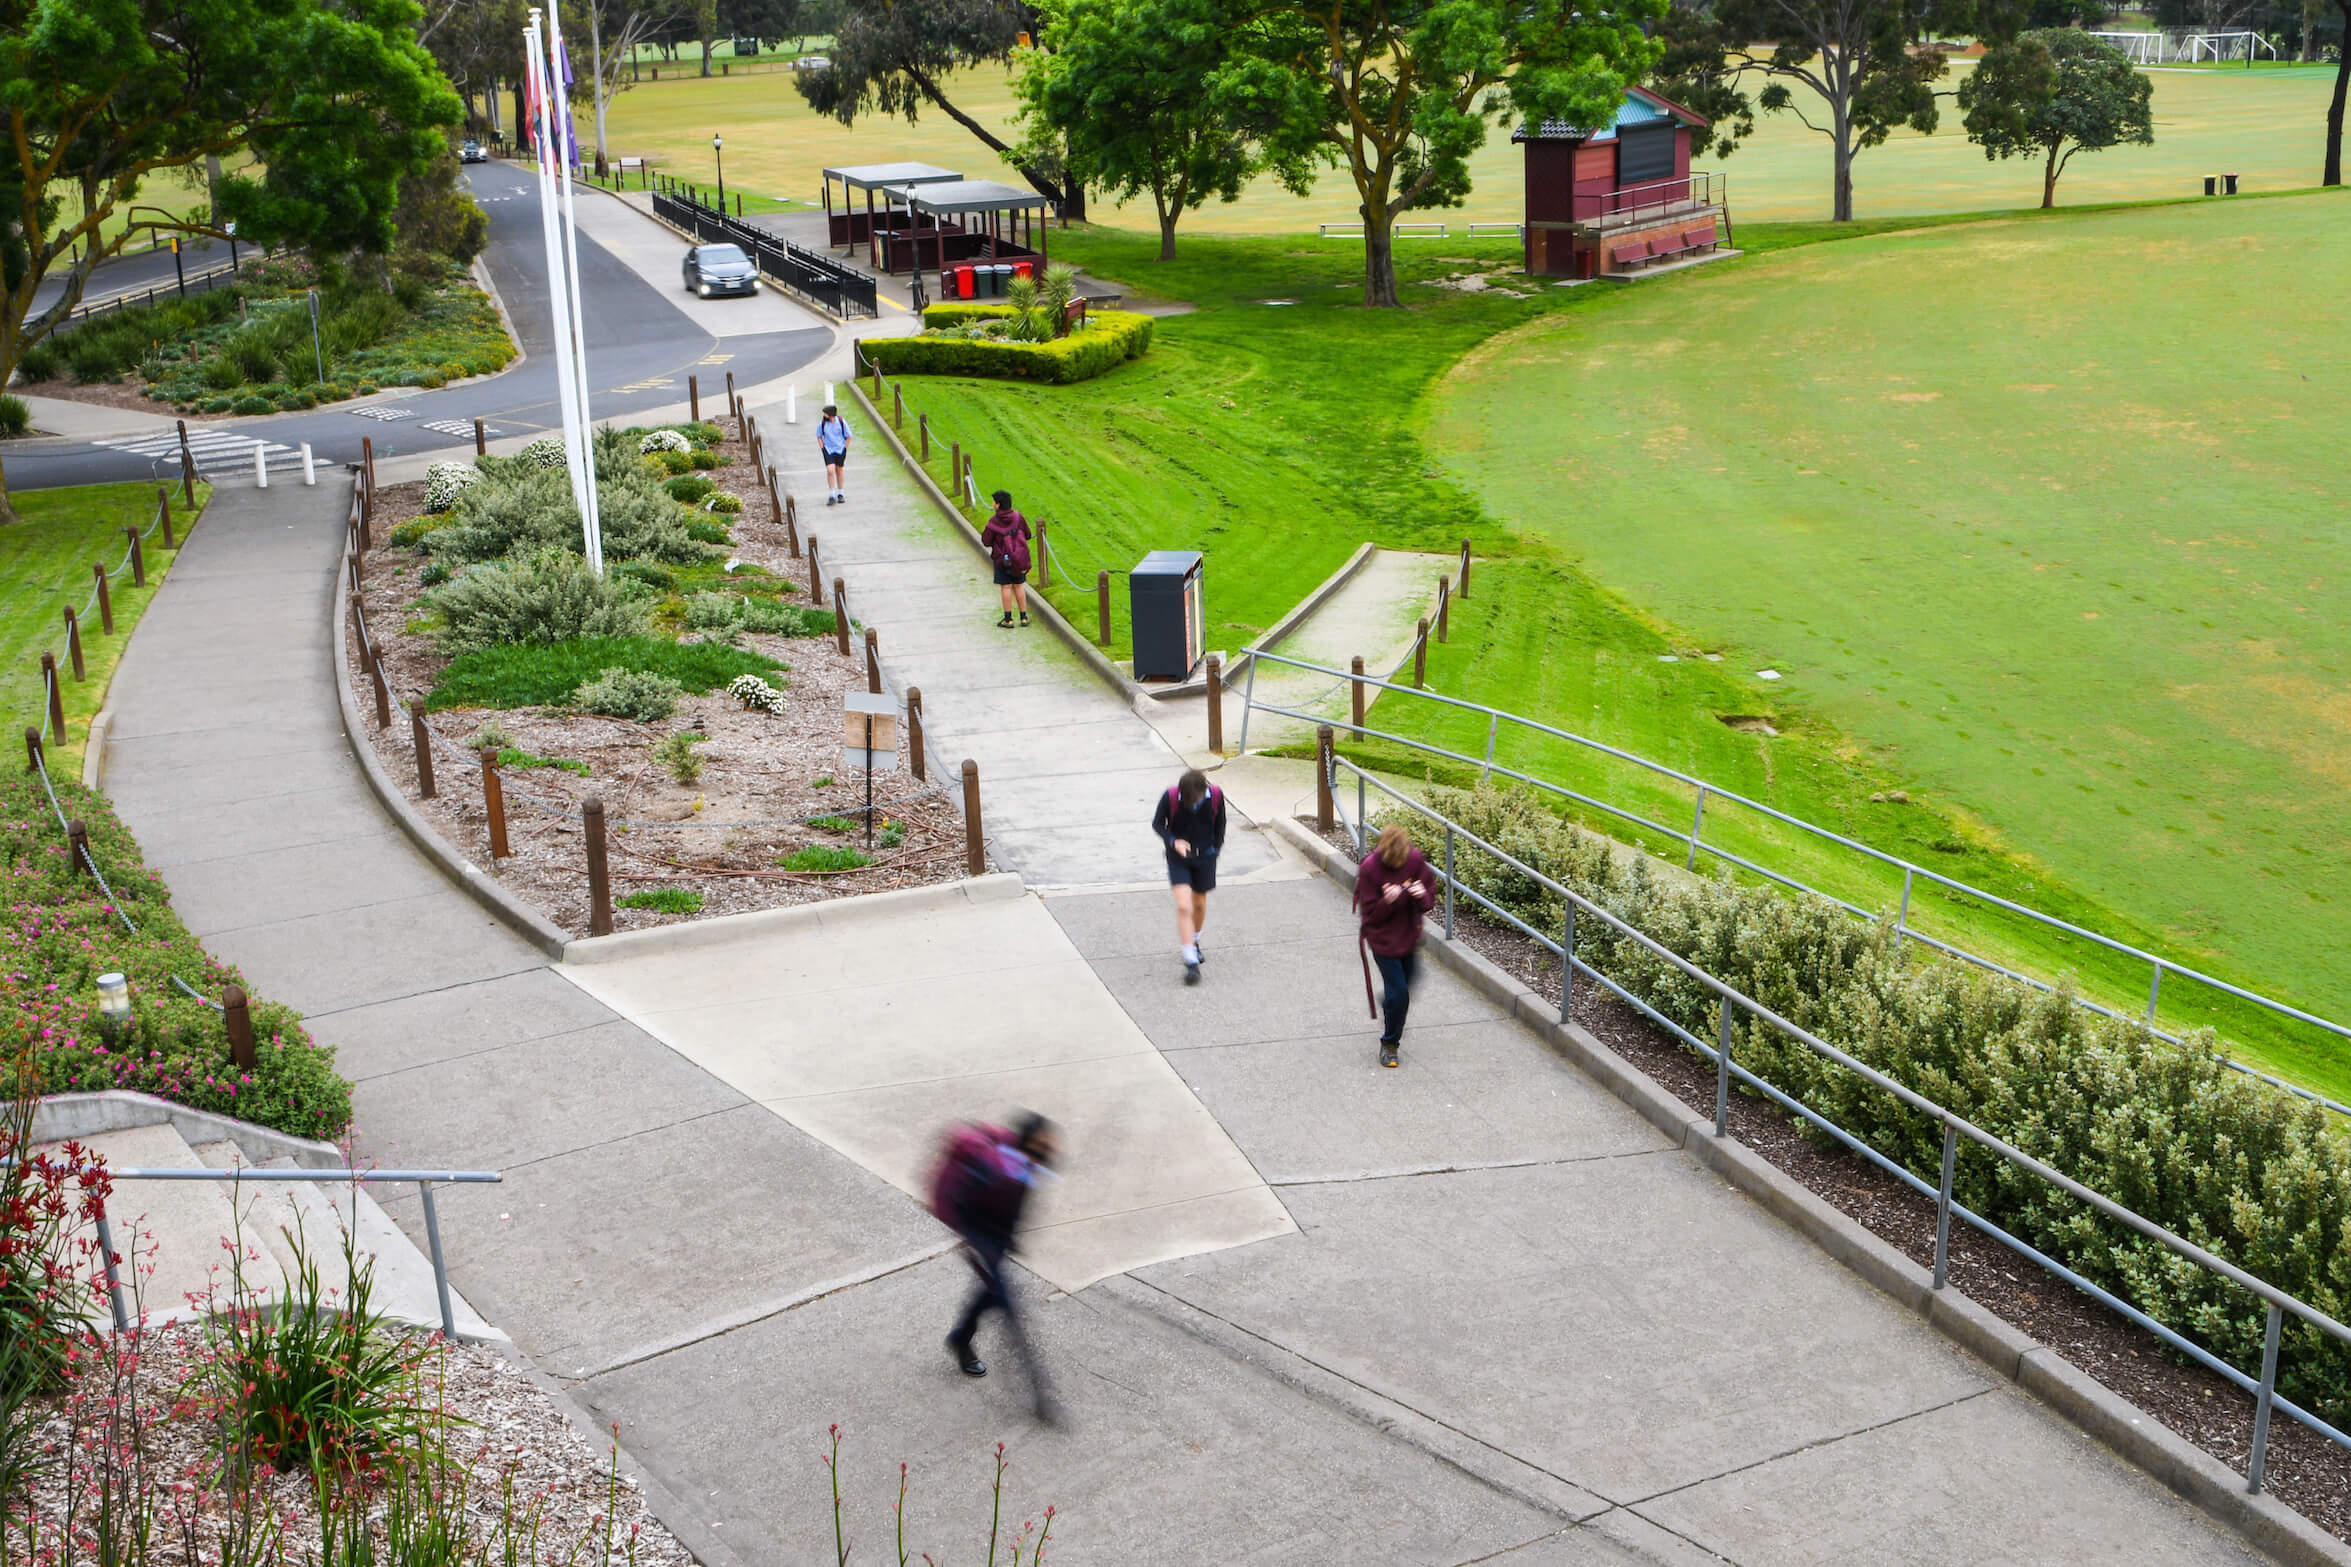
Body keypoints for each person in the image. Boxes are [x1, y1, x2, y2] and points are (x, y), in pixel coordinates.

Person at [932, 1112, 1061, 1422]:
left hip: (997, 1237)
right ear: (1026, 1143)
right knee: (1008, 1307)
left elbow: (1016, 1204)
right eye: (1042, 1146)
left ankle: (960, 1338)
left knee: (992, 1295)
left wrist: (1009, 1238)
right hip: (980, 1235)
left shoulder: (1025, 1164)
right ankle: (1040, 1397)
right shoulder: (995, 1167)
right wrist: (974, 1243)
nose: (1048, 1153)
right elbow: (964, 1205)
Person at [1354, 825, 1434, 1069]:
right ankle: (1389, 1044)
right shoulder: (1370, 869)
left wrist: (1421, 894)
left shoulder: (1415, 860)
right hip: (1383, 940)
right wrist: (1386, 902)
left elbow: (1429, 899)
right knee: (1399, 994)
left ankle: (1391, 1006)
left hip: (1409, 936)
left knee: (1406, 985)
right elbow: (1369, 917)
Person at [1152, 769, 1225, 984]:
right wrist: (1173, 841)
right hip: (1179, 858)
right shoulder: (1171, 797)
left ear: (1204, 792)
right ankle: (1191, 961)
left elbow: (1220, 825)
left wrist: (1215, 850)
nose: (1191, 804)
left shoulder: (1216, 796)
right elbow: (1158, 824)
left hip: (1205, 858)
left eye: (1195, 800)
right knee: (1184, 906)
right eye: (1187, 801)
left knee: (1199, 904)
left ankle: (1195, 941)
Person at [981, 490, 1032, 629]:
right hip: (1018, 558)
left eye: (993, 501)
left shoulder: (993, 522)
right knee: (1019, 585)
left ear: (998, 504)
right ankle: (1024, 617)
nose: (992, 504)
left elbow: (986, 541)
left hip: (1001, 559)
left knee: (1006, 587)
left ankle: (1008, 619)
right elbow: (1028, 534)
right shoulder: (1018, 517)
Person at [817, 403, 851, 505]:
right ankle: (831, 494)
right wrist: (823, 448)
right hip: (828, 450)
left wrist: (845, 448)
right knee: (830, 470)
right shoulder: (822, 424)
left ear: (831, 414)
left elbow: (848, 436)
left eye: (826, 414)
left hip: (840, 449)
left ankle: (840, 493)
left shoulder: (841, 422)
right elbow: (819, 436)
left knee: (839, 470)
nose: (824, 416)